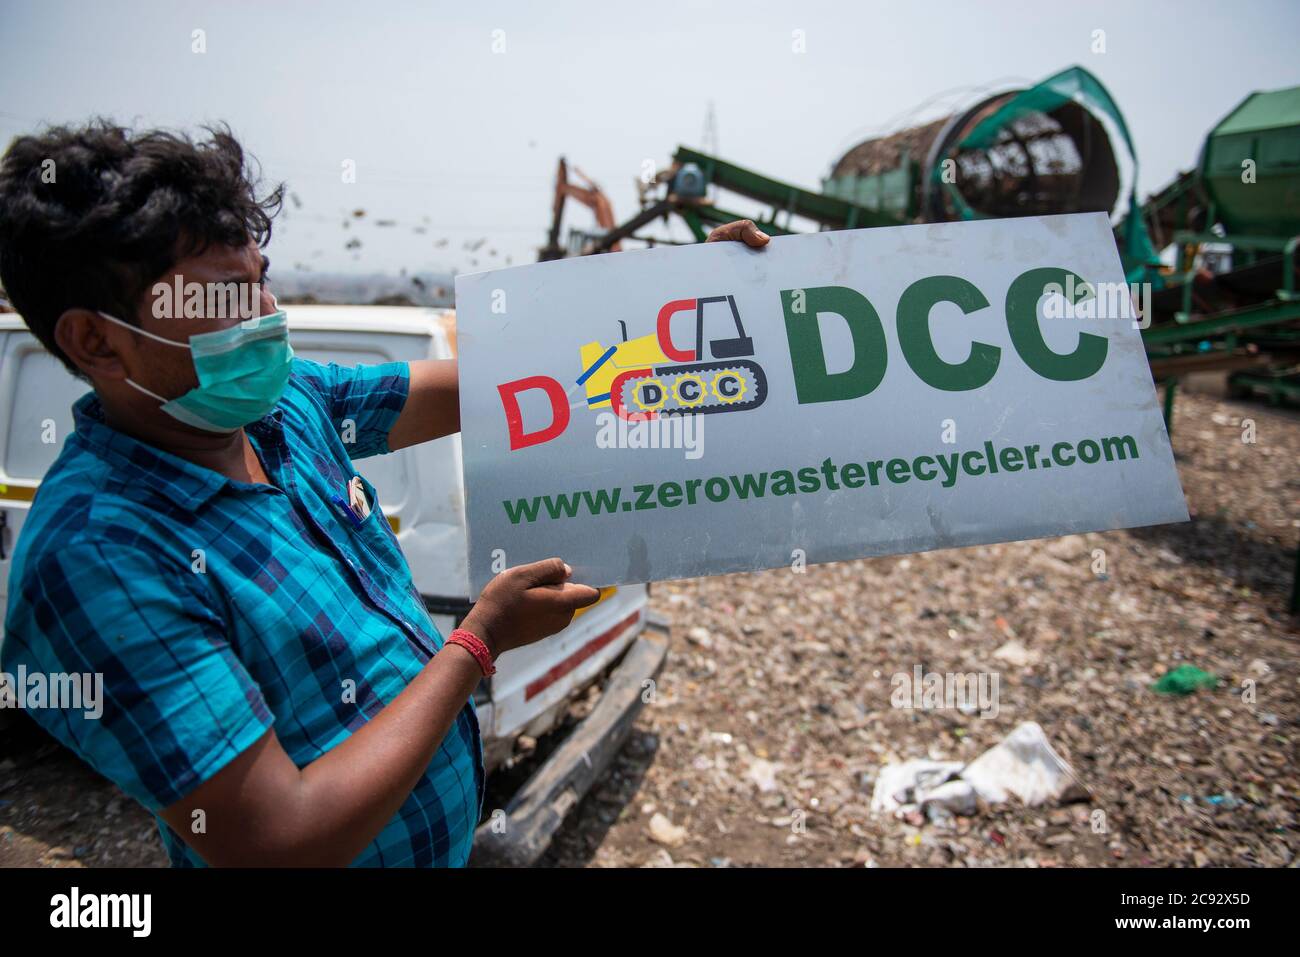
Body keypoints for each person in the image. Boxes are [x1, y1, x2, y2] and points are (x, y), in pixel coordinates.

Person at [0, 121, 770, 866]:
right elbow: (277, 839)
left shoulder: (284, 407)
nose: (266, 317)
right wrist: (476, 643)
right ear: (95, 340)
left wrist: (671, 306)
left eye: (262, 281)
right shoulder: (98, 554)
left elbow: (485, 388)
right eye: (224, 299)